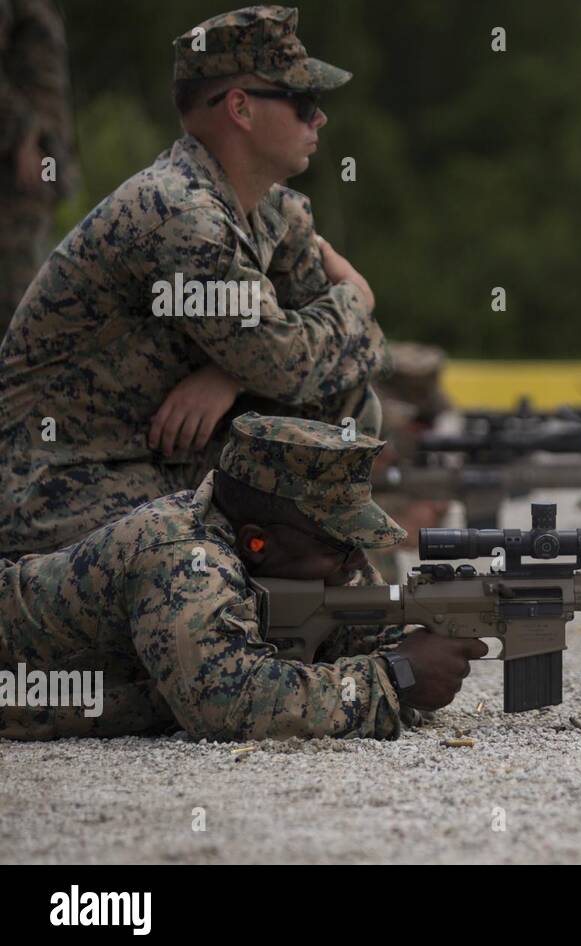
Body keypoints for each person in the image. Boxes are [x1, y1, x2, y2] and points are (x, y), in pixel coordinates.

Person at [0, 5, 387, 560]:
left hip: (153, 457)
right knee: (198, 544)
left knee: (344, 404)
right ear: (241, 109)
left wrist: (229, 373)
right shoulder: (179, 214)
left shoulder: (275, 212)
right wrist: (358, 297)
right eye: (304, 103)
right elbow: (288, 359)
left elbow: (337, 360)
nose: (319, 120)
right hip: (56, 482)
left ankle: (318, 600)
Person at [0, 413, 488, 741]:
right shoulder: (181, 556)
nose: (351, 561)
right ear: (257, 540)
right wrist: (393, 680)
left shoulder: (301, 555)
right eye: (339, 545)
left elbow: (363, 628)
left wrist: (423, 626)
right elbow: (228, 703)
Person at [0, 0, 76, 337]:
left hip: (46, 154)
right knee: (15, 287)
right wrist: (22, 131)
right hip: (19, 156)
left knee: (38, 231)